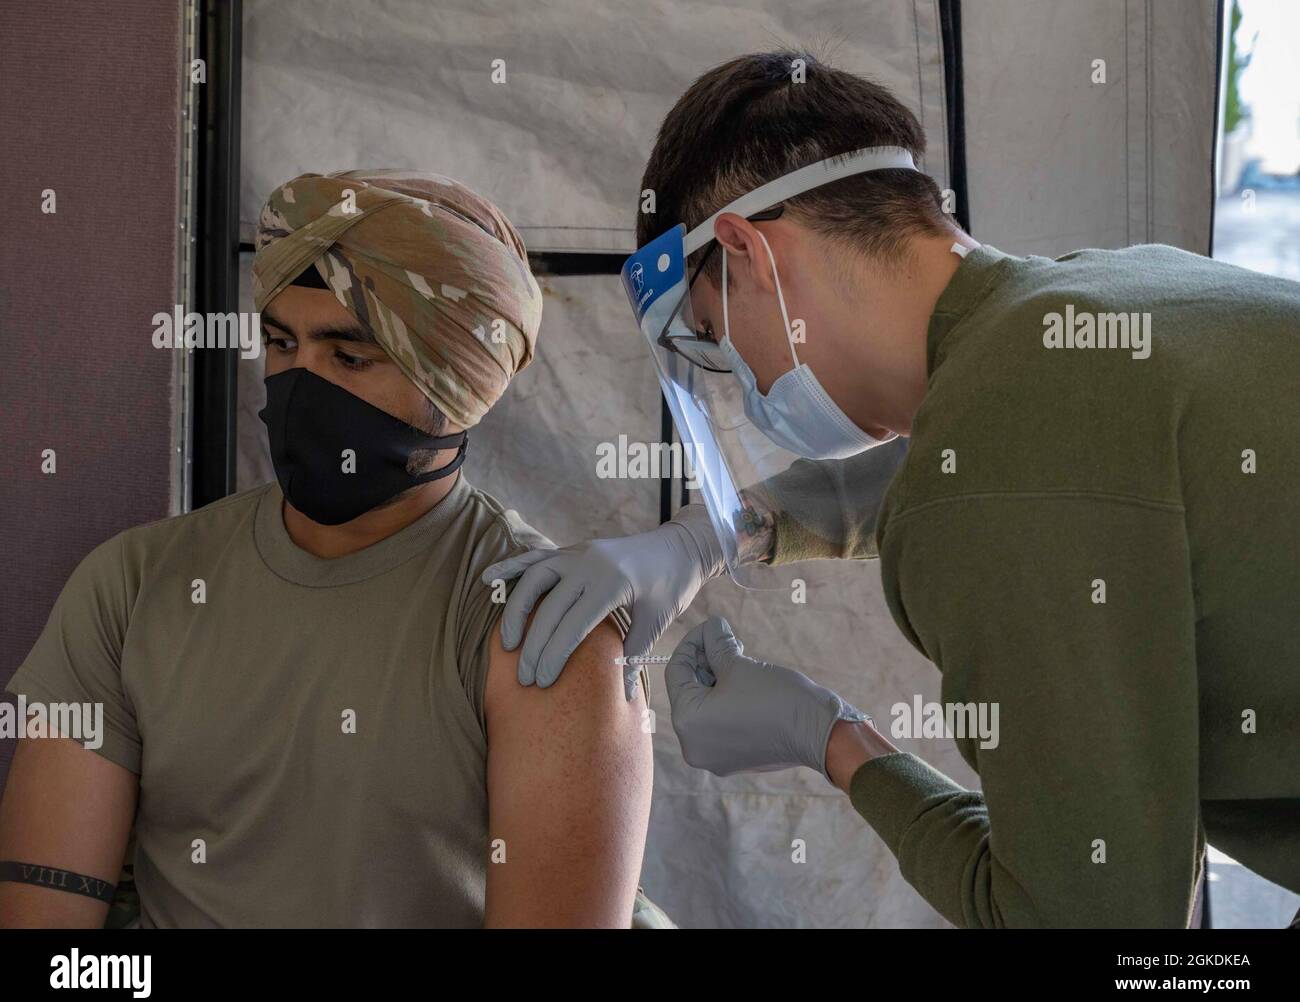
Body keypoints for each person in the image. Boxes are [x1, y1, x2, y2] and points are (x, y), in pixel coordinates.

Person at [485, 52, 1300, 928]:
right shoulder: (1111, 290)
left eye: (721, 341)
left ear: (747, 250)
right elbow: (1009, 463)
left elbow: (1104, 930)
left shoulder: (1007, 465)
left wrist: (834, 742)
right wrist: (716, 533)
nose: (749, 382)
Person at [0, 170, 662, 929]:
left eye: (349, 357)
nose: (299, 386)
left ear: (457, 384)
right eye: (282, 343)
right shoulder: (131, 585)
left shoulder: (542, 630)